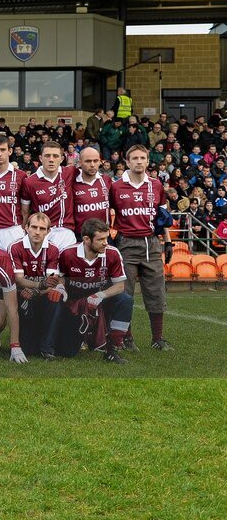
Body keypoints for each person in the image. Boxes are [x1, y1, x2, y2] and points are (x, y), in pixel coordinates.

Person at [109, 144, 172, 351]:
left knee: (156, 293)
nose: (138, 161)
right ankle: (126, 338)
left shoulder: (156, 185)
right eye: (134, 158)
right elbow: (108, 214)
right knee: (125, 294)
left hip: (152, 243)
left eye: (142, 158)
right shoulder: (116, 186)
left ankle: (158, 339)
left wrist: (168, 240)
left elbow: (162, 217)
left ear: (147, 161)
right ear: (127, 162)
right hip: (126, 243)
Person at [50, 218, 133, 364]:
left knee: (125, 300)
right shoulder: (68, 253)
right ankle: (81, 339)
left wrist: (101, 295)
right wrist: (61, 288)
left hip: (100, 299)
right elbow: (61, 277)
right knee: (68, 352)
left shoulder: (112, 253)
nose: (106, 243)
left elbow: (120, 286)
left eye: (106, 238)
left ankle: (113, 347)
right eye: (100, 239)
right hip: (74, 303)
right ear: (87, 239)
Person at [9, 212, 61, 359]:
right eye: (34, 227)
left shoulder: (53, 249)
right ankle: (24, 340)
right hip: (22, 294)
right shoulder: (15, 247)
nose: (37, 232)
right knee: (28, 348)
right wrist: (39, 285)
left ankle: (47, 347)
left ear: (48, 231)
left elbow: (52, 283)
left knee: (55, 298)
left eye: (42, 229)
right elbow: (18, 280)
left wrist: (38, 291)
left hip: (40, 294)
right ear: (26, 228)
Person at [20, 141, 77, 250]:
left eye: (55, 156)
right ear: (41, 158)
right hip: (42, 232)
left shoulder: (69, 172)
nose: (51, 160)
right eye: (47, 156)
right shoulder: (30, 182)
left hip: (66, 232)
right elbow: (25, 212)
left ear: (61, 159)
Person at [71, 145, 111, 238]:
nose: (92, 164)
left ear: (100, 162)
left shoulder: (107, 180)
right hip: (80, 237)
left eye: (95, 161)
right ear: (80, 162)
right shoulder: (72, 183)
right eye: (88, 161)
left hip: (103, 236)